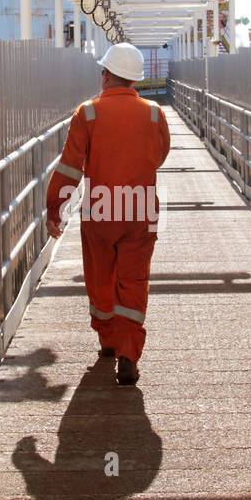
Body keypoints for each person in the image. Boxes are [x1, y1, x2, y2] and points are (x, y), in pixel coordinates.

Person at [46, 43, 172, 385]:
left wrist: (55, 206)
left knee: (101, 277)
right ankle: (128, 354)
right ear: (135, 80)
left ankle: (107, 341)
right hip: (141, 207)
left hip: (101, 209)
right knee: (133, 280)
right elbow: (159, 155)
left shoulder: (87, 113)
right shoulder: (153, 113)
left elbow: (71, 168)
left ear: (105, 75)